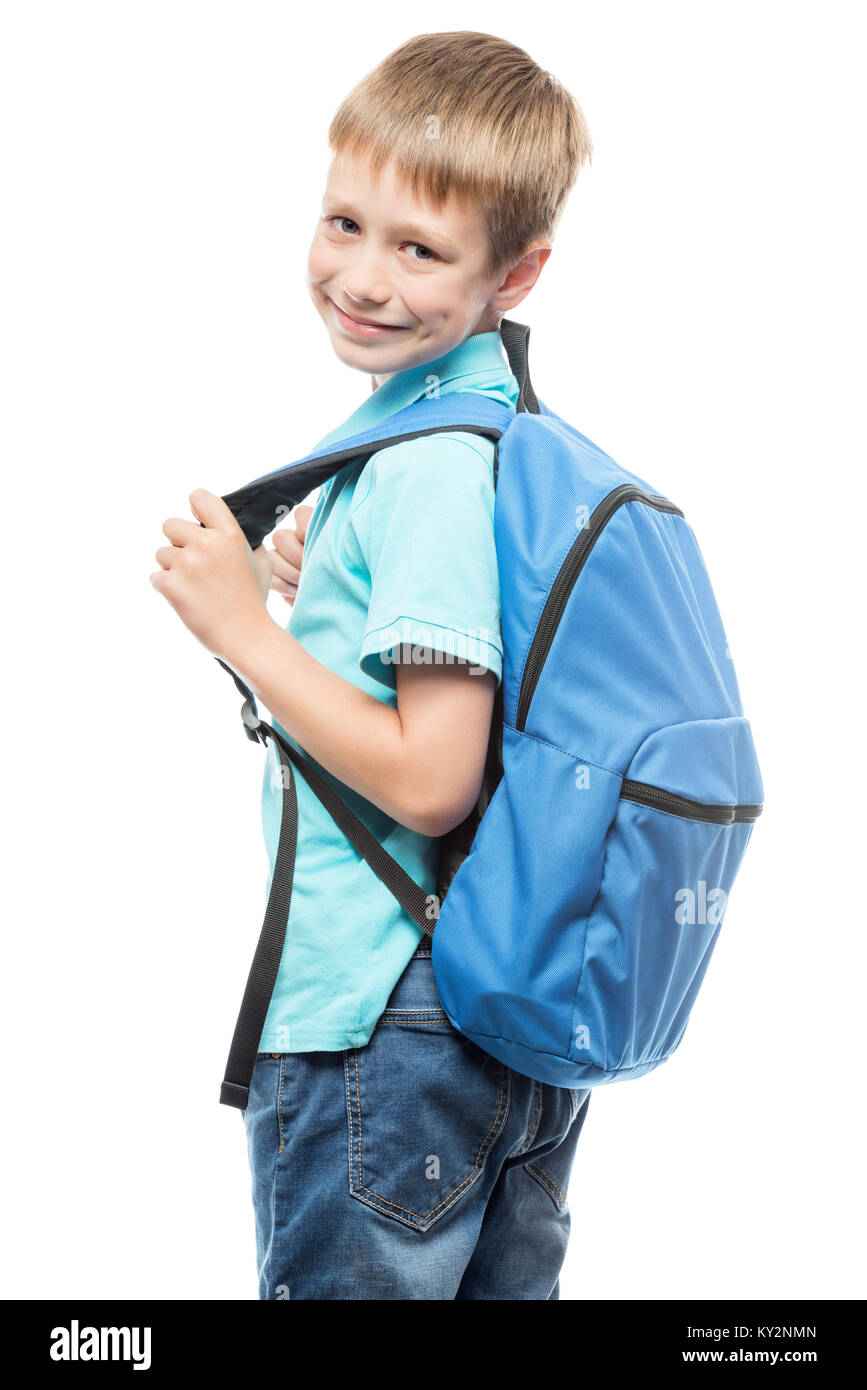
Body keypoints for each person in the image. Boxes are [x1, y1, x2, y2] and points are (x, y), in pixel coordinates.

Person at [151, 30, 594, 1300]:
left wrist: (240, 627)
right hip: (498, 1012)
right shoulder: (492, 428)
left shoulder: (426, 466)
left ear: (517, 273)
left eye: (421, 249)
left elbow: (433, 775)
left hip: (380, 1018)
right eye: (345, 221)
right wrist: (330, 575)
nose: (363, 276)